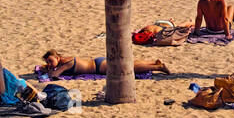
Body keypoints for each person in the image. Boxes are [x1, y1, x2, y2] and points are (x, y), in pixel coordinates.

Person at [41, 51, 169, 78]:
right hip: (98, 61)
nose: (49, 64)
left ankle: (158, 67)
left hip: (99, 67)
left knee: (129, 67)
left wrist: (49, 70)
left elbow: (54, 75)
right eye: (47, 62)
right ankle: (152, 62)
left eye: (51, 61)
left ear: (58, 57)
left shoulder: (66, 64)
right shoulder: (65, 60)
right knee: (128, 64)